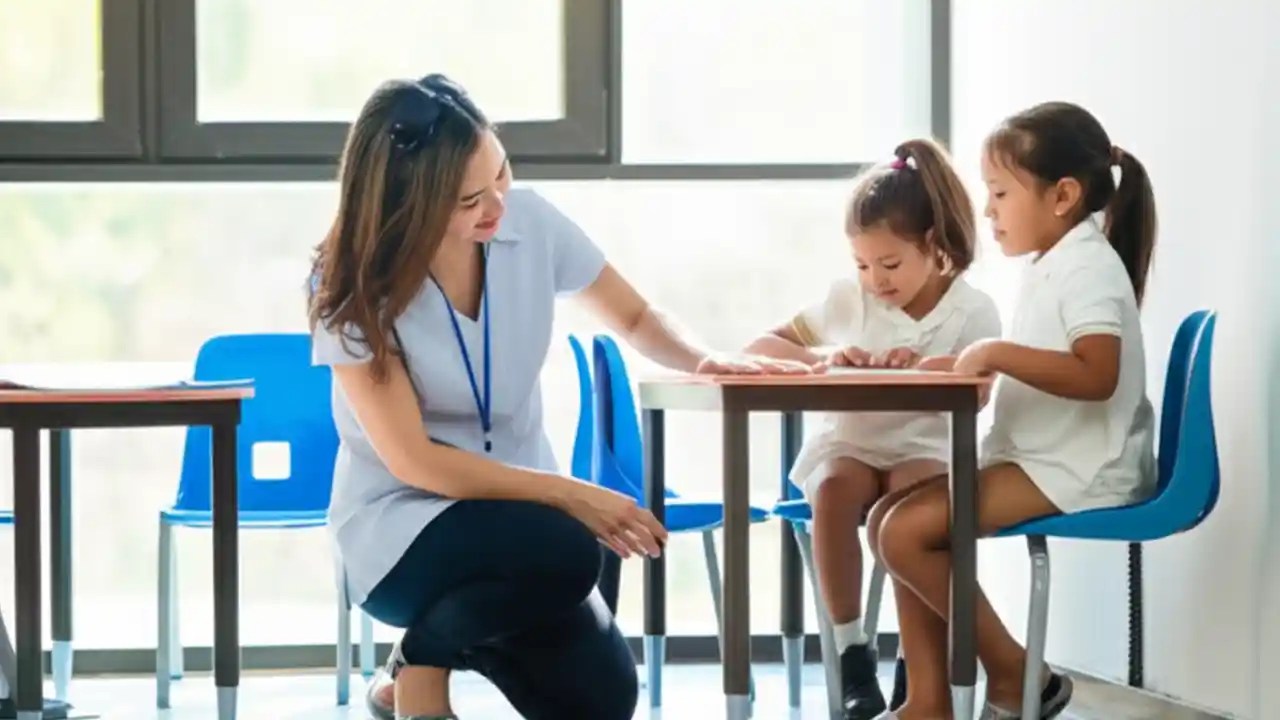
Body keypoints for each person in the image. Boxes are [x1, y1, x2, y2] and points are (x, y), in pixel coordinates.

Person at [307, 74, 809, 720]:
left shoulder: (530, 224)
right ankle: (426, 662)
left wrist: (704, 358)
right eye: (469, 200)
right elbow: (416, 462)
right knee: (571, 546)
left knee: (604, 700)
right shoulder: (350, 286)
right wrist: (570, 494)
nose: (497, 205)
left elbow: (634, 315)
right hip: (403, 531)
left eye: (501, 173)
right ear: (411, 202)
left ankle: (425, 653)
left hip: (523, 536)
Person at [871, 101, 1159, 719]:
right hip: (1047, 459)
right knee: (885, 520)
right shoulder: (1055, 262)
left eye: (1000, 193)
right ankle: (927, 702)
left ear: (1063, 196)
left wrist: (995, 353)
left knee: (904, 531)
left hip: (1083, 467)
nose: (988, 210)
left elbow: (1097, 374)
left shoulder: (1085, 266)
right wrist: (968, 367)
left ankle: (1018, 676)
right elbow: (1051, 362)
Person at [745, 138, 1001, 719]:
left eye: (890, 265)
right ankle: (851, 651)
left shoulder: (972, 310)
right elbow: (760, 345)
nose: (876, 280)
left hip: (926, 445)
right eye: (862, 264)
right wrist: (826, 357)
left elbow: (982, 393)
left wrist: (929, 366)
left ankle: (918, 660)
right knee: (834, 488)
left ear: (933, 244)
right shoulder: (849, 299)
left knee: (914, 504)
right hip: (853, 441)